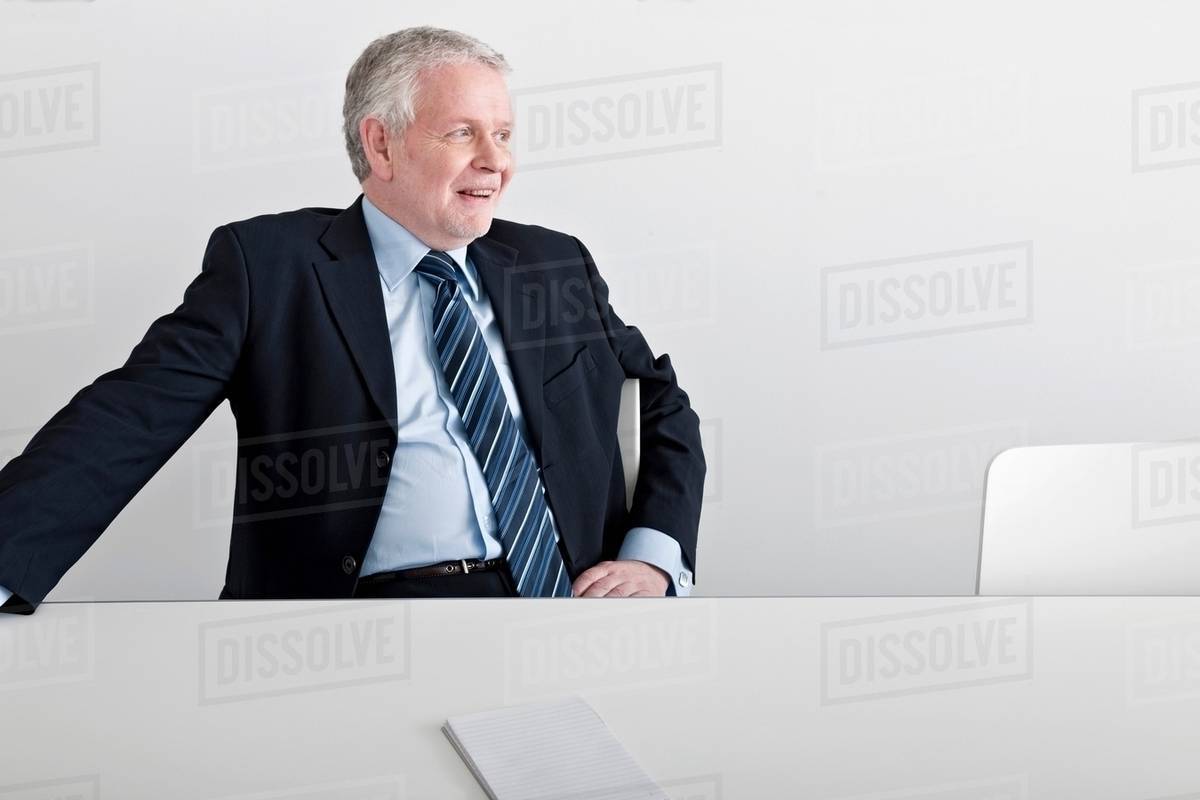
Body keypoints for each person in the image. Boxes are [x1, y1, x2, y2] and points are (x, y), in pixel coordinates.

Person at [0, 26, 705, 614]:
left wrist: (653, 556)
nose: (497, 162)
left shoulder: (552, 264)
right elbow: (127, 420)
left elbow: (659, 401)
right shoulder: (269, 268)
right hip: (361, 620)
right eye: (463, 133)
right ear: (381, 145)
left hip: (563, 605)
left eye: (503, 134)